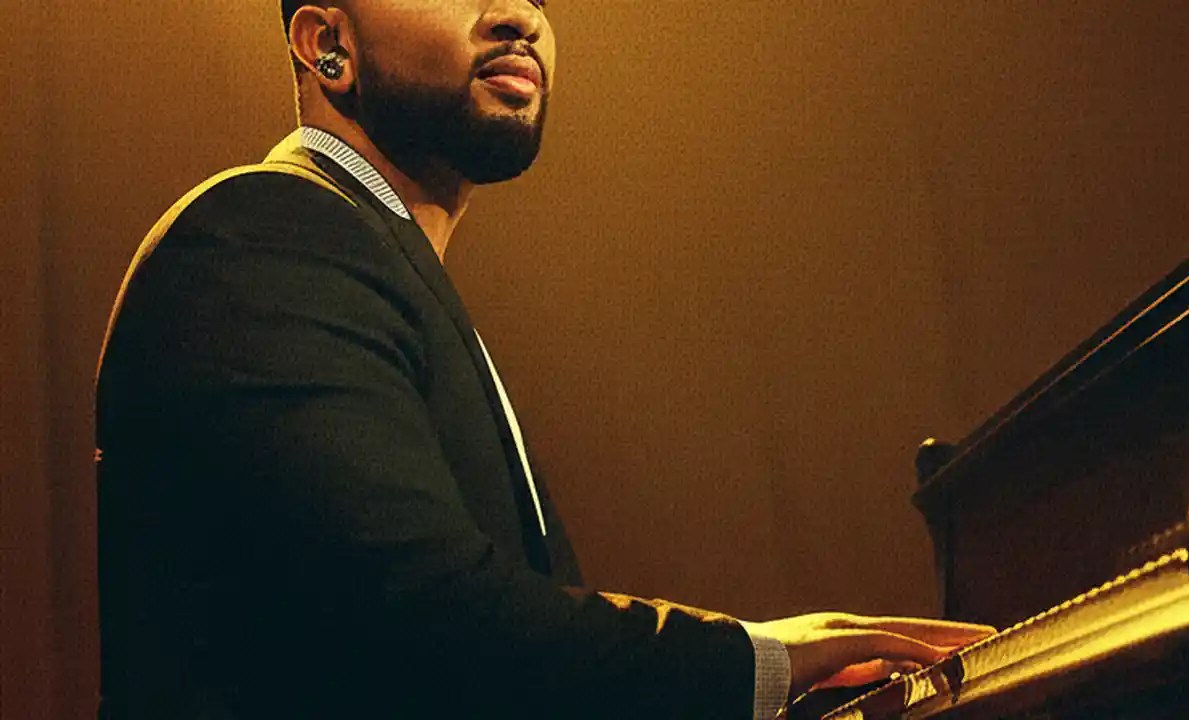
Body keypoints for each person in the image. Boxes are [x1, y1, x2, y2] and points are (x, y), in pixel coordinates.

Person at [94, 2, 994, 718]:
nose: (518, 14)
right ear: (328, 45)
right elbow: (429, 621)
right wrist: (759, 663)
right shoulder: (261, 235)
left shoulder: (372, 265)